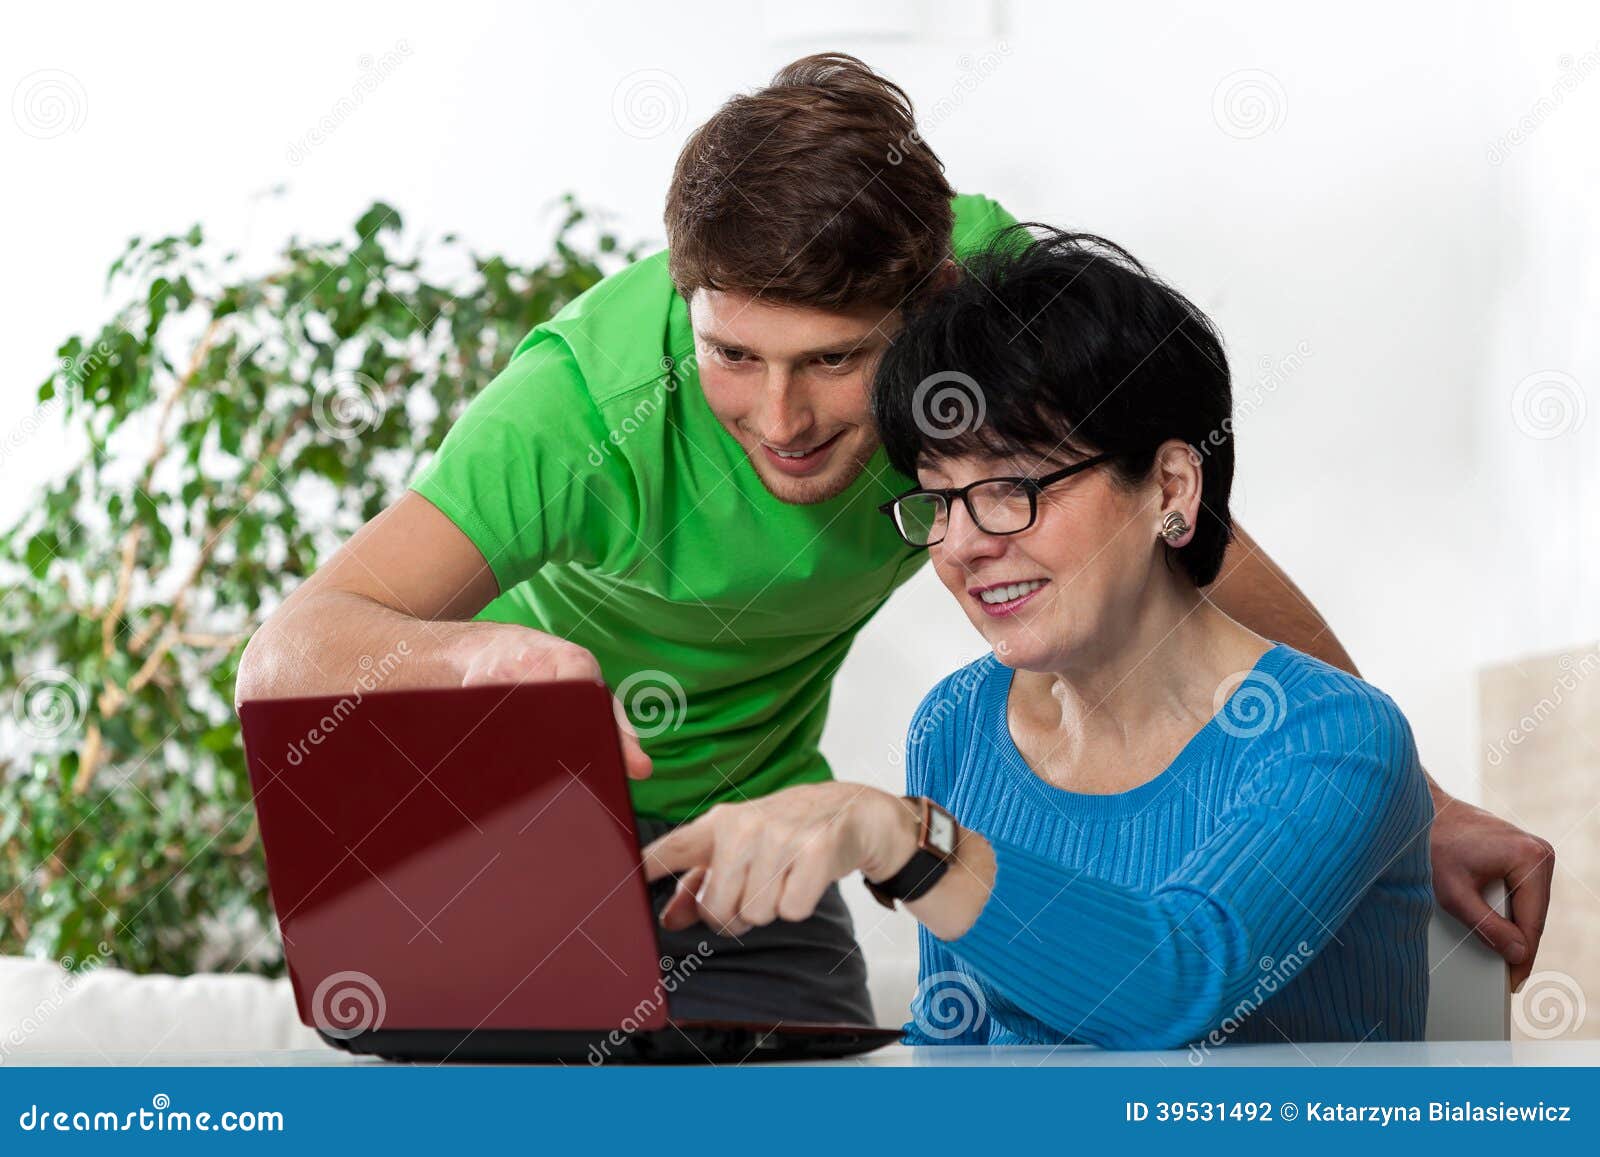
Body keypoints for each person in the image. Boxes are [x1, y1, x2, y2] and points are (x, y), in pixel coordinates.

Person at [236, 54, 1552, 1023]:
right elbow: (289, 650)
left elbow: (1182, 535)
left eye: (833, 364)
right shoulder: (579, 413)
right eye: (731, 358)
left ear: (923, 310)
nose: (782, 419)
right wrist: (496, 669)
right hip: (516, 832)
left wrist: (1406, 807)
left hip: (747, 848)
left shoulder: (987, 303)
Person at [642, 228, 1432, 1046]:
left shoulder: (1329, 739)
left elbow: (1181, 980)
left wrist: (909, 840)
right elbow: (957, 1043)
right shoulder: (958, 726)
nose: (959, 545)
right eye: (939, 498)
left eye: (1013, 486)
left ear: (1170, 484)